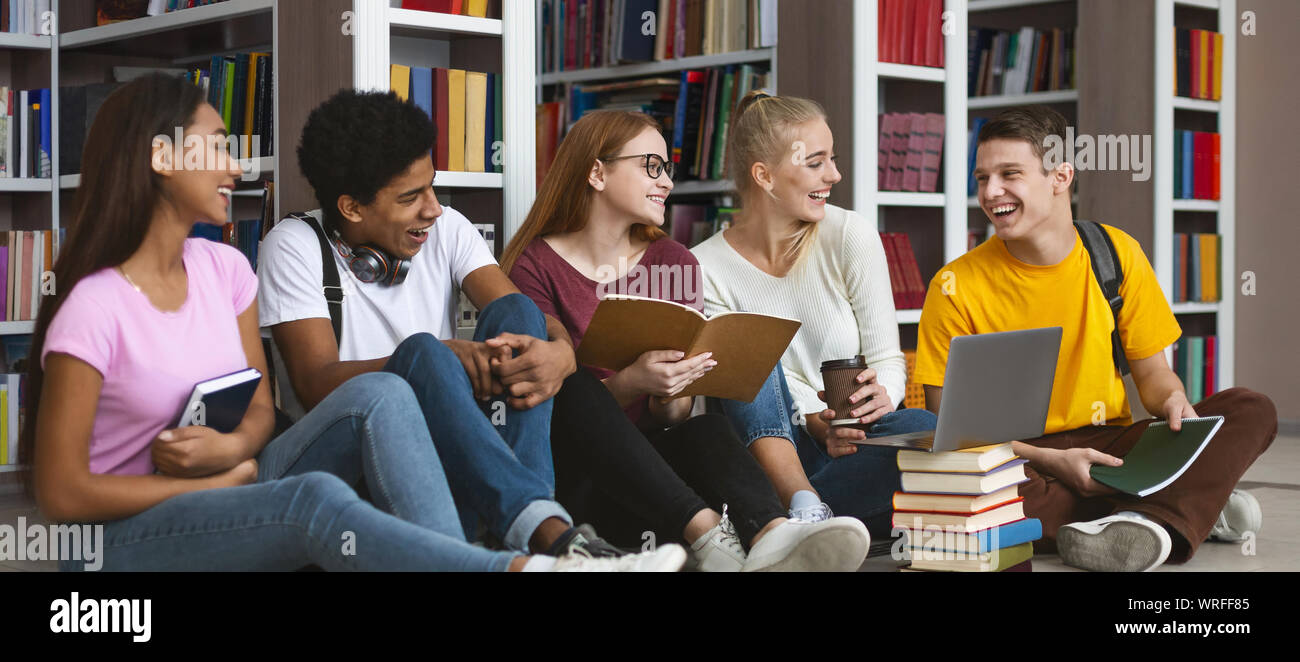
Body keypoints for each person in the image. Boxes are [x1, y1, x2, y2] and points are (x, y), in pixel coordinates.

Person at [21, 74, 683, 572]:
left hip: (246, 472)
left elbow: (258, 411)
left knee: (406, 378)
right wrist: (221, 476)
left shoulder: (225, 270)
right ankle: (530, 560)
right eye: (217, 146)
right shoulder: (96, 305)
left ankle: (532, 534)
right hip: (128, 531)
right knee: (335, 466)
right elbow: (60, 494)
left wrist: (231, 451)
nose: (237, 165)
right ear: (163, 159)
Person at [259, 89, 624, 559]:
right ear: (351, 208)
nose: (433, 208)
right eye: (411, 197)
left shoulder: (447, 227)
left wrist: (560, 350)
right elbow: (314, 384)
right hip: (357, 454)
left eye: (431, 186)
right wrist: (434, 357)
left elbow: (523, 314)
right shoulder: (293, 245)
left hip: (453, 449)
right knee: (423, 351)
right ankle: (547, 537)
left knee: (518, 316)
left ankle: (526, 531)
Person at [502, 109, 872, 571]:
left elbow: (670, 419)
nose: (666, 183)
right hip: (580, 483)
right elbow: (546, 407)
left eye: (667, 169)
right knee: (572, 383)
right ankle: (709, 537)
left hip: (657, 481)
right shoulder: (534, 266)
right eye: (650, 167)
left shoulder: (670, 260)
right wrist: (633, 381)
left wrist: (673, 389)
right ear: (597, 172)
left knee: (707, 428)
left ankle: (775, 535)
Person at [914, 105, 1276, 571]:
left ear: (1060, 176)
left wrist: (1172, 402)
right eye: (982, 178)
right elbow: (953, 429)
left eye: (1010, 174)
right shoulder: (954, 285)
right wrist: (1049, 459)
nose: (991, 192)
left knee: (1251, 408)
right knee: (966, 492)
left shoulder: (1115, 253)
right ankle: (1183, 505)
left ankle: (1150, 516)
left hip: (1108, 445)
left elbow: (1154, 376)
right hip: (1017, 456)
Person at [690, 92, 938, 537]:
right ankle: (804, 504)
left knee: (923, 427)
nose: (835, 175)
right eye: (816, 162)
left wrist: (882, 394)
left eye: (833, 159)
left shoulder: (849, 235)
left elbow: (887, 356)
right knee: (749, 349)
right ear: (764, 176)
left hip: (853, 441)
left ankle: (787, 519)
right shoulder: (703, 267)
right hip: (769, 445)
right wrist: (810, 421)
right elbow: (741, 392)